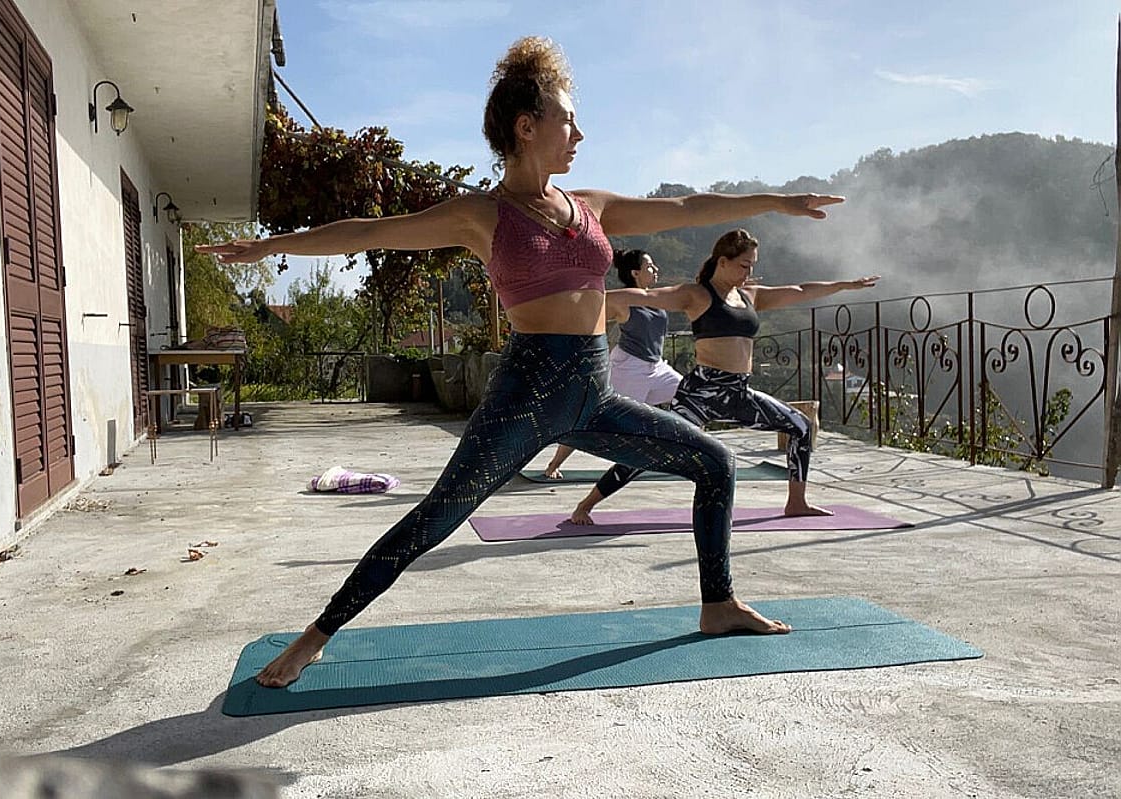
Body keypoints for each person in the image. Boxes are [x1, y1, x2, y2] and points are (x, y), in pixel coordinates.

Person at [197, 37, 843, 688]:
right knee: (433, 519)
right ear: (526, 126)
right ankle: (314, 638)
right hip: (525, 397)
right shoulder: (482, 214)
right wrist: (271, 246)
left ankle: (717, 603)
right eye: (567, 119)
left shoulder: (589, 205)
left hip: (590, 392)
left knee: (717, 463)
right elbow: (369, 229)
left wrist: (776, 202)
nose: (579, 133)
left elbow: (684, 209)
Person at [568, 228, 879, 525]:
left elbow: (799, 291)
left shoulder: (750, 296)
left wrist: (844, 285)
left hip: (738, 393)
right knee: (652, 450)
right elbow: (647, 296)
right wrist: (587, 300)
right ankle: (587, 504)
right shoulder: (697, 295)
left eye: (752, 266)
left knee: (800, 426)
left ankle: (796, 502)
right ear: (723, 261)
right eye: (744, 265)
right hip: (702, 394)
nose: (748, 272)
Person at [542, 248, 683, 478]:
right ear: (635, 273)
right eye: (649, 266)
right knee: (591, 418)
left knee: (690, 395)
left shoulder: (656, 298)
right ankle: (554, 464)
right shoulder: (622, 301)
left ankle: (689, 454)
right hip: (629, 368)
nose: (655, 269)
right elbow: (588, 313)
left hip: (656, 367)